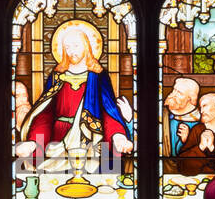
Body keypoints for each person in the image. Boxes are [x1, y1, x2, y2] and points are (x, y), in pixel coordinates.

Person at [18, 20, 133, 162]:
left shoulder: (97, 76)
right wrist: (34, 142)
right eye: (67, 47)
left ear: (86, 46)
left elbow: (108, 112)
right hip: (57, 141)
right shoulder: (57, 77)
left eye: (76, 46)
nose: (71, 51)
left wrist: (118, 136)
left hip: (91, 141)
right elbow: (45, 114)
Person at [174, 92, 215, 174]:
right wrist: (200, 147)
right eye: (200, 107)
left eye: (205, 106)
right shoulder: (198, 130)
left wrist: (212, 149)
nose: (201, 111)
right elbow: (182, 166)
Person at [162, 76, 201, 162]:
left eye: (180, 93)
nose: (174, 95)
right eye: (174, 90)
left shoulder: (199, 121)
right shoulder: (164, 114)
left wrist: (187, 140)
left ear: (190, 98)